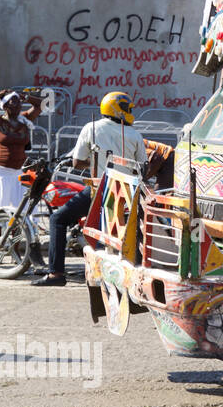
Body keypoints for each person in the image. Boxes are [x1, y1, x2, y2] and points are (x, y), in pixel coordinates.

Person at [33, 91, 146, 287]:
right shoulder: (135, 134)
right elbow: (142, 166)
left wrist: (96, 163)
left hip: (100, 189)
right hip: (126, 192)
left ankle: (56, 274)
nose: (129, 111)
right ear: (118, 109)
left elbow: (77, 162)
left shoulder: (91, 128)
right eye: (127, 108)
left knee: (57, 219)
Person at [0, 90, 40, 209]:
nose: (18, 105)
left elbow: (41, 105)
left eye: (19, 102)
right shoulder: (0, 121)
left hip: (21, 172)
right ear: (5, 106)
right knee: (2, 211)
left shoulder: (24, 119)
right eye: (13, 102)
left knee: (23, 211)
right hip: (2, 173)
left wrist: (25, 96)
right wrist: (0, 94)